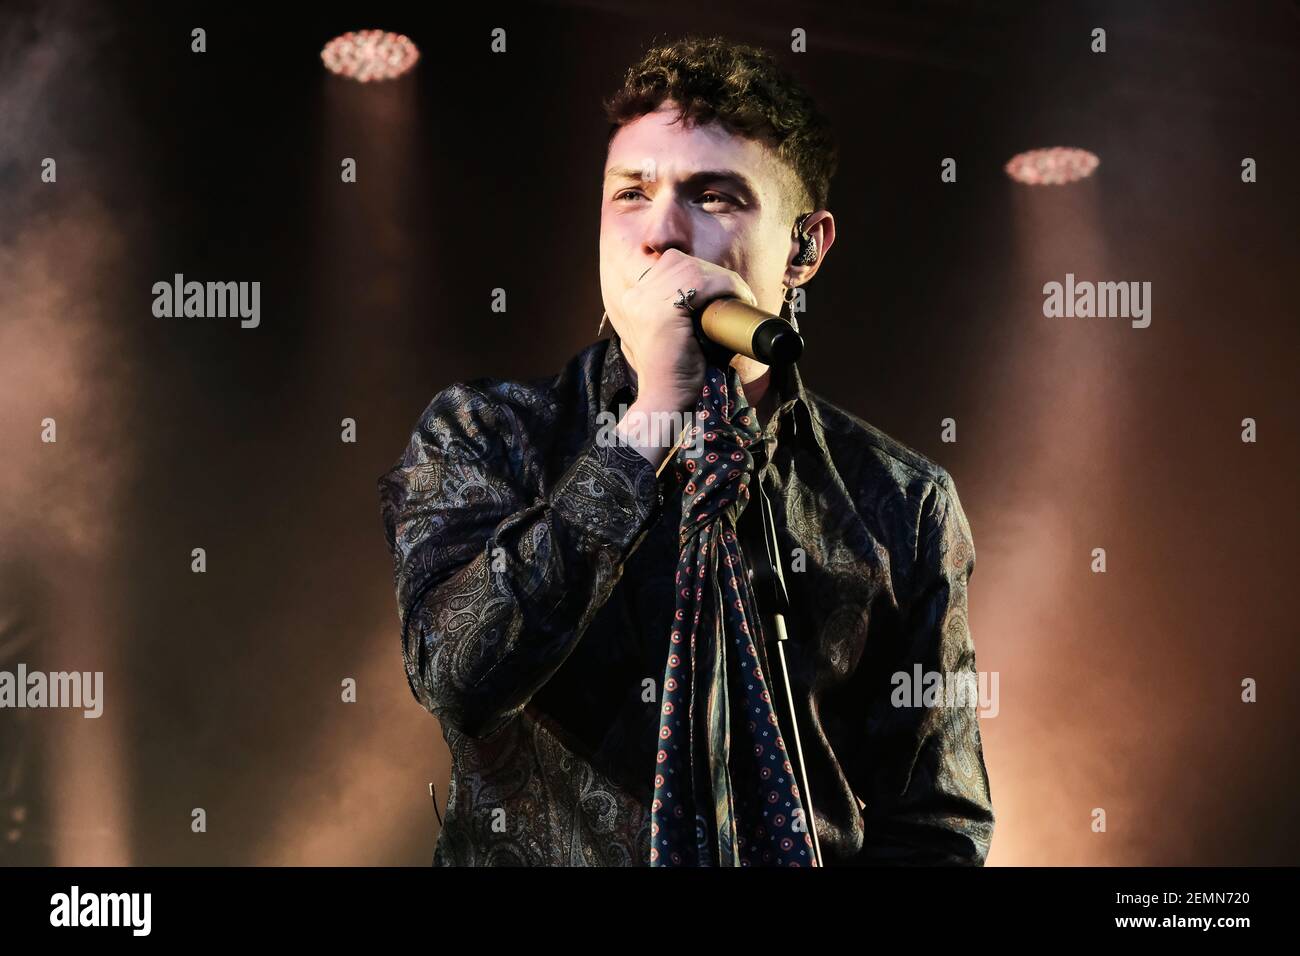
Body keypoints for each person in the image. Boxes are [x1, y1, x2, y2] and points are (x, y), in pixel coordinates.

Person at [378, 34, 993, 866]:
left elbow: (935, 820)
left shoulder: (901, 499)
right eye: (630, 192)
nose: (661, 233)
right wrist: (650, 426)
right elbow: (455, 674)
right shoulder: (488, 433)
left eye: (714, 196)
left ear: (805, 248)